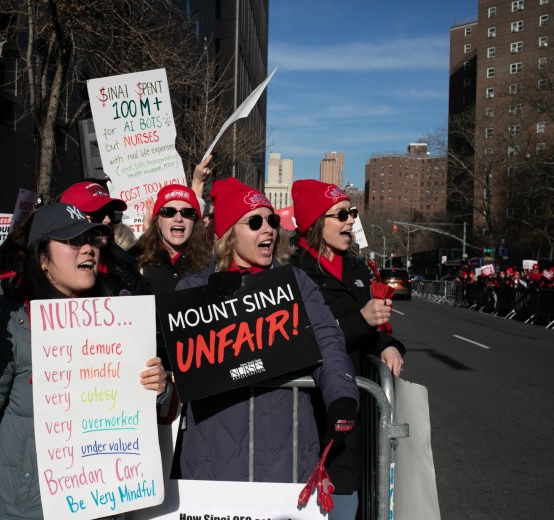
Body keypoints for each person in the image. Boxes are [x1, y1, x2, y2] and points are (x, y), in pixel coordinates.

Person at [0, 203, 168, 519]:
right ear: (42, 260)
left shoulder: (117, 318)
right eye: (73, 241)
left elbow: (141, 412)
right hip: (27, 512)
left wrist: (158, 387)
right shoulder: (6, 322)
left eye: (91, 239)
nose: (88, 248)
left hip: (100, 503)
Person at [172, 178, 359, 488]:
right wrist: (214, 302)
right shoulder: (191, 290)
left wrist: (341, 395)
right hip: (215, 463)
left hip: (287, 459)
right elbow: (170, 367)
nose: (269, 229)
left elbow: (326, 338)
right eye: (255, 222)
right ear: (229, 233)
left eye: (272, 220)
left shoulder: (296, 283)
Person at [290, 179, 406, 519]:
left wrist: (387, 345)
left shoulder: (356, 266)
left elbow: (374, 328)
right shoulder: (295, 271)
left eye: (351, 213)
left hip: (351, 407)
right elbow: (303, 338)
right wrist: (359, 319)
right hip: (310, 405)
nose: (350, 221)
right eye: (340, 214)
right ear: (315, 222)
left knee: (347, 496)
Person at [60, 181, 149, 296]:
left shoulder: (126, 265)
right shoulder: (54, 274)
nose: (107, 220)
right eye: (98, 214)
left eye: (111, 213)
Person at [128, 184, 213, 294]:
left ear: (195, 222)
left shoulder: (210, 263)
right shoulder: (137, 262)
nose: (178, 219)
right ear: (158, 221)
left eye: (187, 212)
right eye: (168, 212)